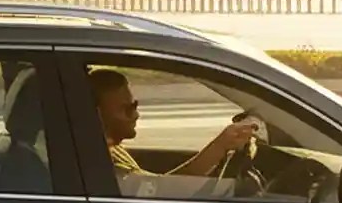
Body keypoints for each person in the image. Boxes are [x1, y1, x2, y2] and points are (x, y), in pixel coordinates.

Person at [88, 68, 258, 179]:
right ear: (98, 114)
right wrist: (220, 147)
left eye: (135, 106)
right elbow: (160, 192)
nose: (137, 115)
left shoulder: (110, 148)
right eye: (127, 109)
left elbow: (157, 187)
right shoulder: (99, 164)